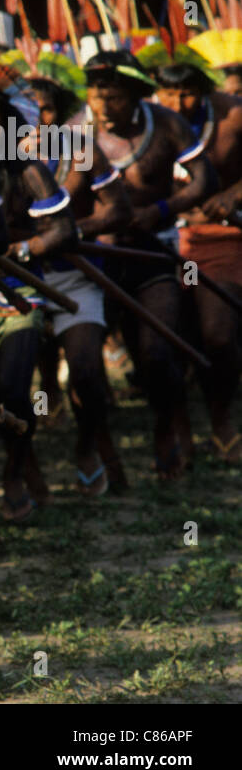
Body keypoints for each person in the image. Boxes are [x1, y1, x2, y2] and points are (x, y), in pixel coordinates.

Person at [73, 51, 216, 482]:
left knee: (157, 353)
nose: (103, 108)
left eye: (114, 98)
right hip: (94, 262)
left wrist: (161, 209)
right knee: (86, 368)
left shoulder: (166, 124)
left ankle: (169, 426)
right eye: (96, 98)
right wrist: (93, 226)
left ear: (135, 94)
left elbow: (204, 180)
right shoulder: (72, 134)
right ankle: (99, 450)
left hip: (154, 253)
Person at [0, 61, 78, 520]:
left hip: (17, 292)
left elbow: (64, 230)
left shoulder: (25, 169)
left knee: (13, 389)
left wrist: (20, 249)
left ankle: (17, 470)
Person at [141, 43, 242, 464]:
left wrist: (236, 192)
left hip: (216, 237)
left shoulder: (233, 114)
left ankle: (222, 418)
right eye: (167, 94)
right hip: (159, 242)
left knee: (218, 335)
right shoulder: (142, 120)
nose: (177, 103)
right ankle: (178, 426)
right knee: (169, 342)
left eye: (186, 93)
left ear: (201, 88)